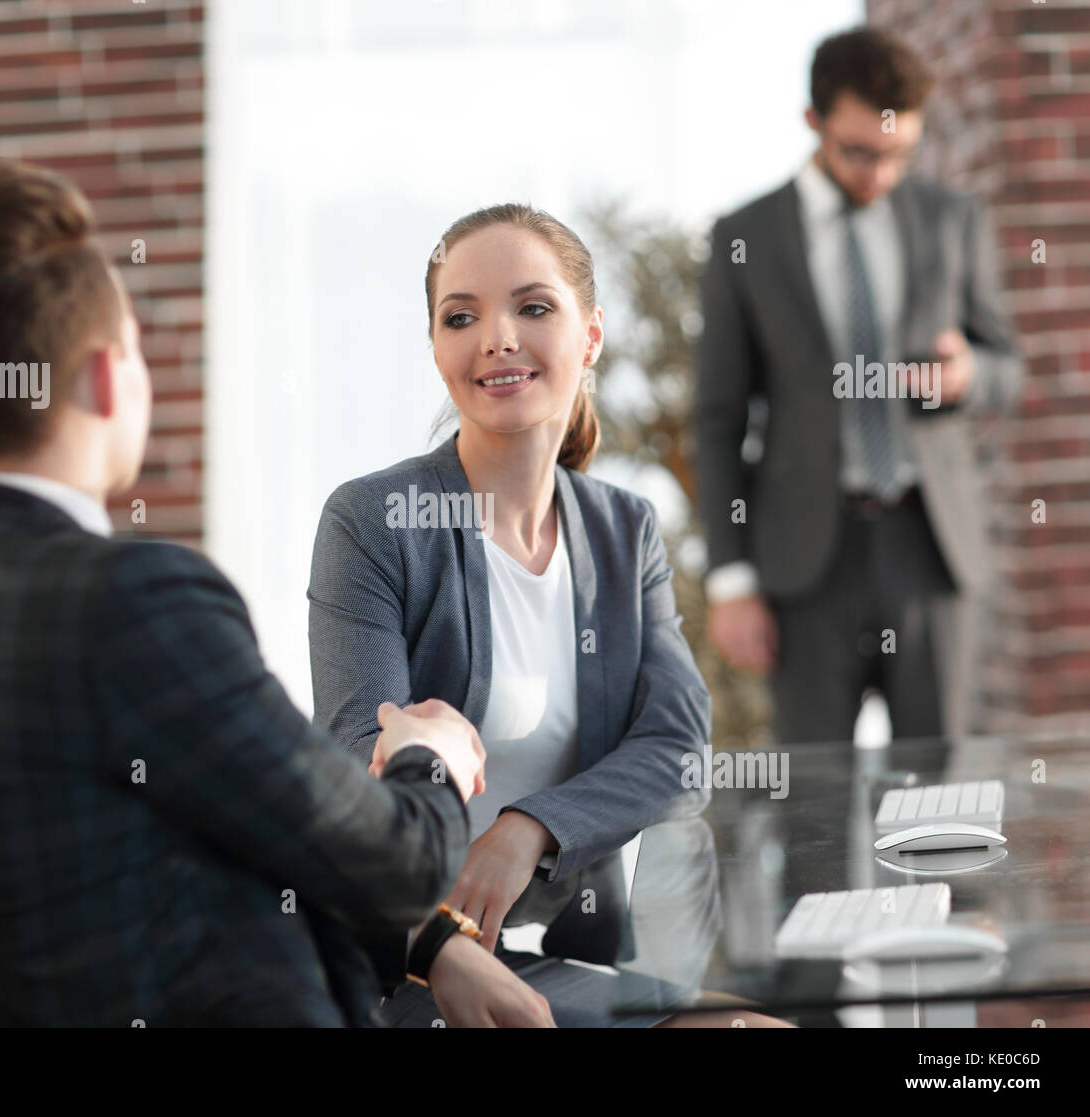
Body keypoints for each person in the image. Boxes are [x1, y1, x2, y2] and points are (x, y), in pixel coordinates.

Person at [0, 159, 487, 1027]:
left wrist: (436, 949)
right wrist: (433, 756)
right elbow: (394, 861)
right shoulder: (132, 599)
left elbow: (211, 835)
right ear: (109, 377)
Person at [308, 202, 738, 1028]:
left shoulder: (623, 529)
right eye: (460, 317)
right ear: (437, 349)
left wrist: (529, 828)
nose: (496, 337)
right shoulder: (373, 521)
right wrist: (441, 942)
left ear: (591, 335)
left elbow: (679, 748)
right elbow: (359, 753)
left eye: (532, 307)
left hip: (570, 950)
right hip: (411, 956)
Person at [693, 26, 1023, 745]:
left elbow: (1006, 363)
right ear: (813, 123)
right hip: (806, 562)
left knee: (941, 809)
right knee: (814, 816)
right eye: (860, 153)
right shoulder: (744, 237)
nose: (880, 175)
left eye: (900, 154)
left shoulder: (950, 218)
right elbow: (718, 419)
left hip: (928, 548)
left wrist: (968, 375)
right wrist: (730, 581)